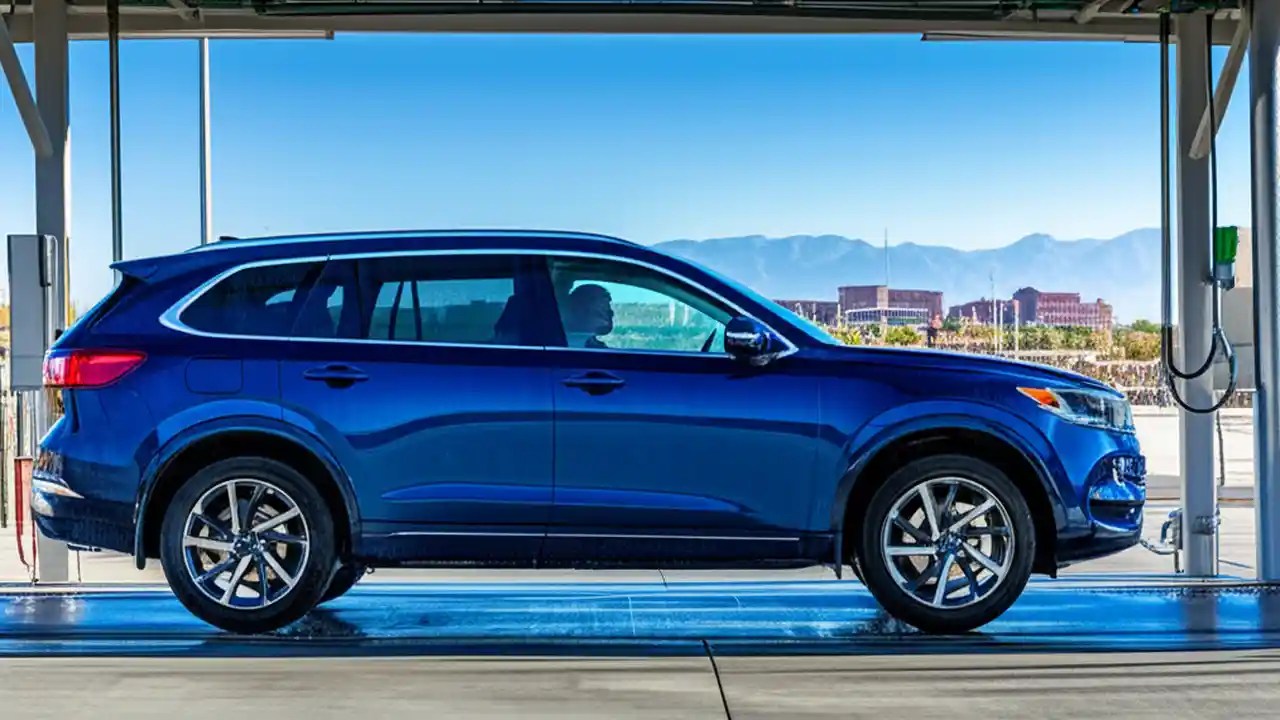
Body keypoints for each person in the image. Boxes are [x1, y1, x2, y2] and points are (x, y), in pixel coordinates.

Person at [564, 283, 614, 348]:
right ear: (581, 311)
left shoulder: (594, 346)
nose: (611, 314)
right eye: (603, 309)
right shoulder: (571, 347)